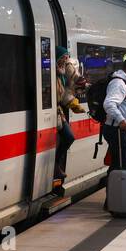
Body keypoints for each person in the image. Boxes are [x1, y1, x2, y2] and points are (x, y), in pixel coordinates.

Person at [101, 55, 126, 171]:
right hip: (117, 130)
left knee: (120, 163)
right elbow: (109, 104)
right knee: (122, 165)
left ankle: (118, 187)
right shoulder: (119, 83)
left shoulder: (125, 83)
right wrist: (121, 120)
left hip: (120, 130)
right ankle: (117, 187)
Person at [53, 47, 78, 192]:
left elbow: (62, 96)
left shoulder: (60, 76)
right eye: (62, 57)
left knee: (69, 137)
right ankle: (56, 165)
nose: (65, 60)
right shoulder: (51, 74)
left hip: (58, 112)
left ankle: (56, 164)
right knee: (68, 136)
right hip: (52, 113)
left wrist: (71, 102)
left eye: (66, 57)